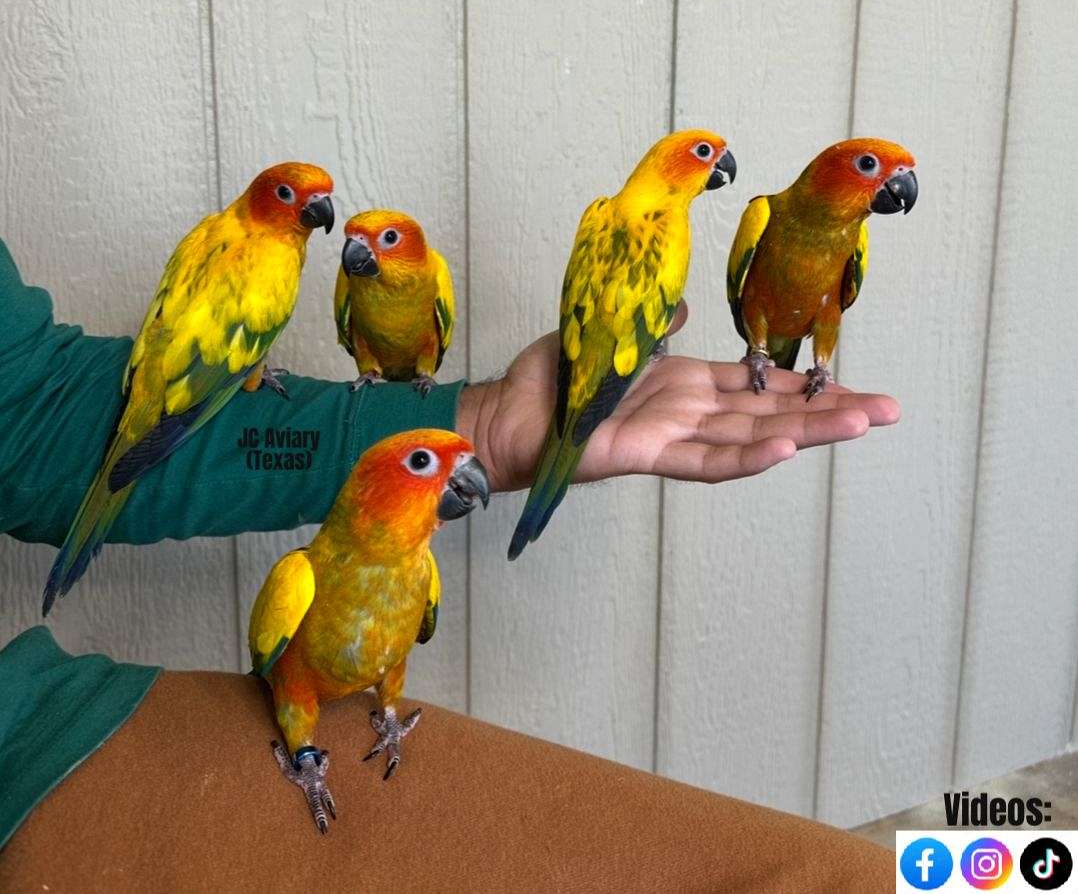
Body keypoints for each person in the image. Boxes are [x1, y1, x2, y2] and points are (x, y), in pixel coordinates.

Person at [0, 238, 899, 888]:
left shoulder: (419, 571)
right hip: (126, 771)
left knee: (842, 878)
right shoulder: (297, 586)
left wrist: (482, 433)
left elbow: (31, 413)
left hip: (30, 726)